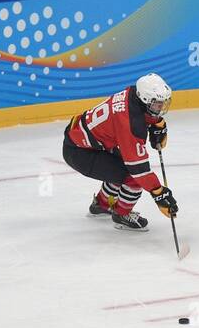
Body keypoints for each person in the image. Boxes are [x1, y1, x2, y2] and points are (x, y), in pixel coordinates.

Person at [61, 74, 178, 231]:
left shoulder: (133, 93)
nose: (161, 107)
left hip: (82, 142)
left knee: (118, 168)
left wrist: (157, 122)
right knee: (133, 178)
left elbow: (138, 113)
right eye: (157, 104)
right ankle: (122, 214)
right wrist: (159, 193)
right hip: (80, 153)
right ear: (145, 100)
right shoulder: (131, 125)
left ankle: (102, 205)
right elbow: (140, 170)